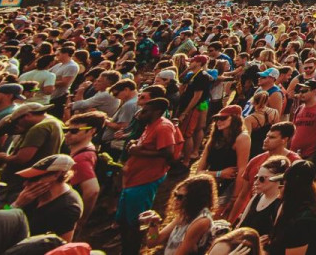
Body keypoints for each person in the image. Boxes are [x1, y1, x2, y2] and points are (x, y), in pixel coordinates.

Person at [118, 97, 180, 255]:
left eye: (145, 111)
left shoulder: (164, 127)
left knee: (136, 223)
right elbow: (146, 143)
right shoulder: (150, 125)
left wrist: (139, 151)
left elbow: (168, 153)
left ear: (157, 112)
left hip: (145, 180)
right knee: (125, 221)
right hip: (133, 179)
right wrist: (134, 144)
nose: (140, 113)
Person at [229, 122, 300, 222]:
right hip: (252, 211)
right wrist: (231, 220)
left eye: (272, 137)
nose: (266, 140)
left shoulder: (294, 163)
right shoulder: (255, 161)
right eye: (266, 136)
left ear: (285, 140)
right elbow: (243, 195)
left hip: (275, 216)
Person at [7, 154, 84, 240]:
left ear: (57, 174)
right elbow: (2, 216)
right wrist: (16, 204)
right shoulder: (28, 194)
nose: (26, 184)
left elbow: (62, 246)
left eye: (34, 178)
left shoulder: (68, 207)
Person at [141, 173, 216, 255]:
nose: (176, 200)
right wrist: (153, 224)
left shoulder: (201, 221)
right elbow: (153, 241)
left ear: (194, 198)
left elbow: (182, 252)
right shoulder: (185, 214)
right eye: (175, 195)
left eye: (180, 197)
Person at [268, 160, 316, 255]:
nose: (279, 187)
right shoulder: (296, 210)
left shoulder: (305, 223)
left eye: (282, 183)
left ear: (292, 189)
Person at [198, 104, 251, 208]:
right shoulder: (215, 137)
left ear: (235, 119)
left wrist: (234, 198)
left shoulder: (242, 138)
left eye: (223, 118)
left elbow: (242, 169)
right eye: (217, 119)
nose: (219, 121)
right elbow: (199, 171)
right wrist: (219, 174)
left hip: (229, 185)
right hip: (210, 183)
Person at [63, 111, 105, 230]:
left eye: (74, 131)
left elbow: (92, 191)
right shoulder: (87, 150)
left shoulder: (81, 159)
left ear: (92, 131)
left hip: (69, 213)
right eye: (66, 130)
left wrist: (81, 220)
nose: (67, 134)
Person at [235, 156, 288, 237]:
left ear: (277, 178)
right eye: (256, 177)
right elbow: (240, 225)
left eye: (262, 179)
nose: (256, 182)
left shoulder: (281, 204)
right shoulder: (256, 197)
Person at [290, 80, 316, 159]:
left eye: (304, 91)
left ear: (314, 91)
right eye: (300, 91)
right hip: (294, 153)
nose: (301, 94)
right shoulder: (300, 108)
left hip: (311, 155)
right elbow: (294, 129)